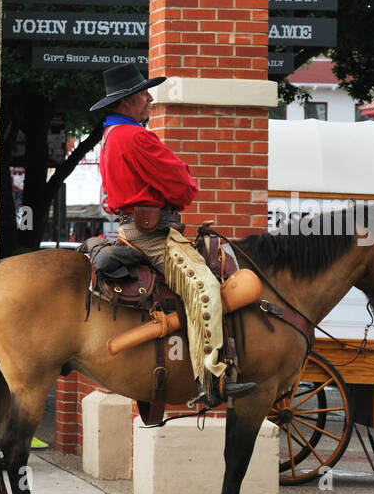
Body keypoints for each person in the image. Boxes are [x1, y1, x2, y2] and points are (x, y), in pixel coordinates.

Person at [92, 62, 254, 409]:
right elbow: (181, 185)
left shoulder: (110, 136)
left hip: (130, 228)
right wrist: (183, 190)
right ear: (126, 103)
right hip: (151, 236)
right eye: (143, 95)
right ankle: (212, 378)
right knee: (207, 288)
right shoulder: (135, 136)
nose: (149, 99)